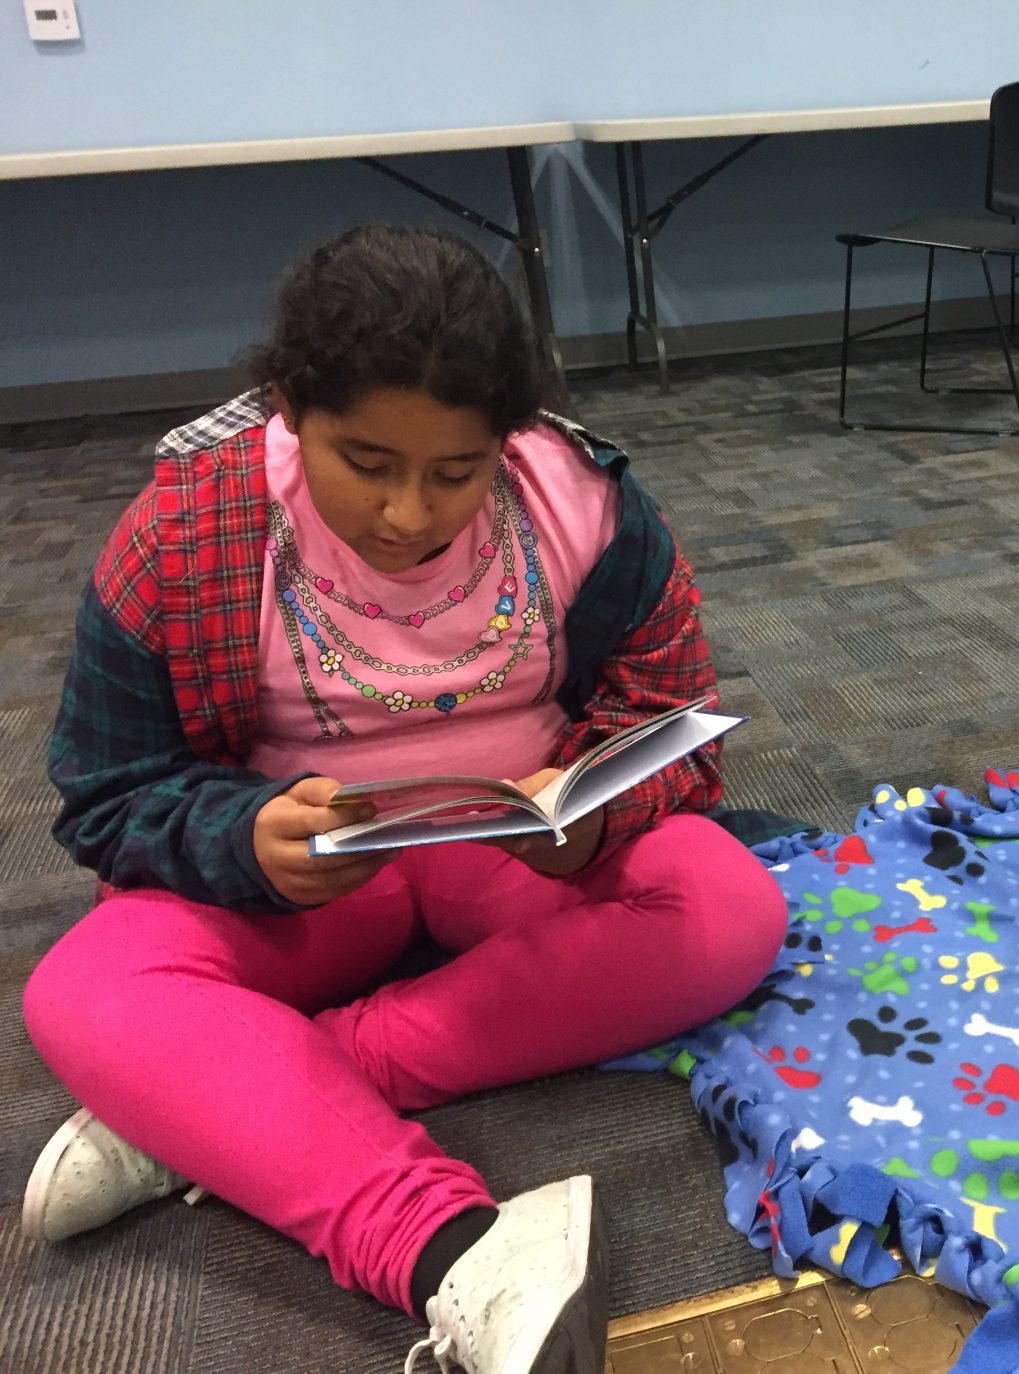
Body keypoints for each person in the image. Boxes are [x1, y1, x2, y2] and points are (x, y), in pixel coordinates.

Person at [20, 225, 789, 1374]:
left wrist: (591, 816)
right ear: (286, 407)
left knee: (729, 910)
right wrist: (240, 838)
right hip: (313, 872)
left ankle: (221, 1101)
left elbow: (671, 715)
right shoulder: (183, 536)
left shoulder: (585, 506)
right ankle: (445, 1243)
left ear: (509, 440)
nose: (407, 515)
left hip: (515, 858)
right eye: (366, 464)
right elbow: (103, 793)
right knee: (82, 989)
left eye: (456, 472)